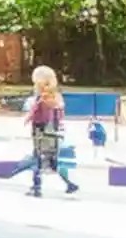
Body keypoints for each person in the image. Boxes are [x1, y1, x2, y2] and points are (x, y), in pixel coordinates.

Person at [14, 65, 80, 198]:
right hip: (54, 132)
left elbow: (37, 113)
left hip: (42, 131)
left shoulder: (43, 98)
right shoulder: (57, 96)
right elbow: (59, 111)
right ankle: (69, 183)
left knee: (38, 159)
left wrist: (28, 117)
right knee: (52, 161)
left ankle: (36, 187)